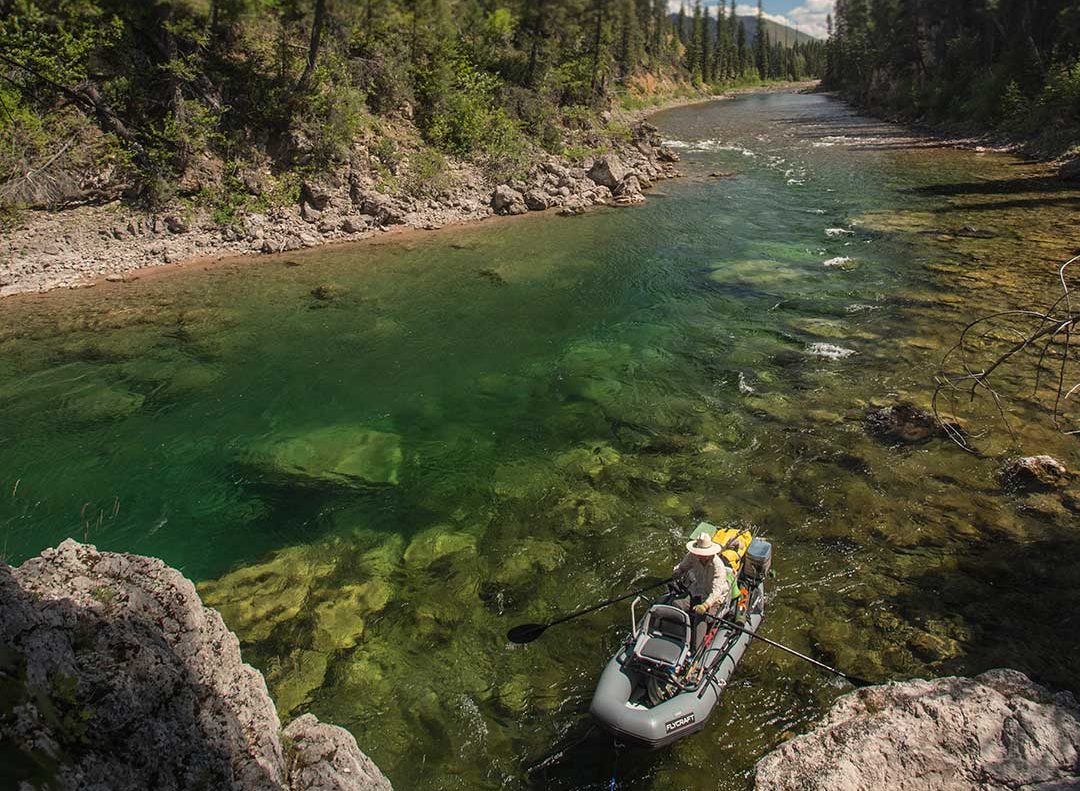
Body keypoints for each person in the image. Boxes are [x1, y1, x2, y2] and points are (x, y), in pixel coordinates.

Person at [672, 532, 733, 649]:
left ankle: (696, 649)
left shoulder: (718, 566)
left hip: (714, 599)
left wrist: (705, 605)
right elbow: (683, 566)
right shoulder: (692, 556)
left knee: (701, 617)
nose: (698, 555)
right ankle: (678, 636)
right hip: (697, 590)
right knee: (677, 604)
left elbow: (717, 591)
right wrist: (677, 571)